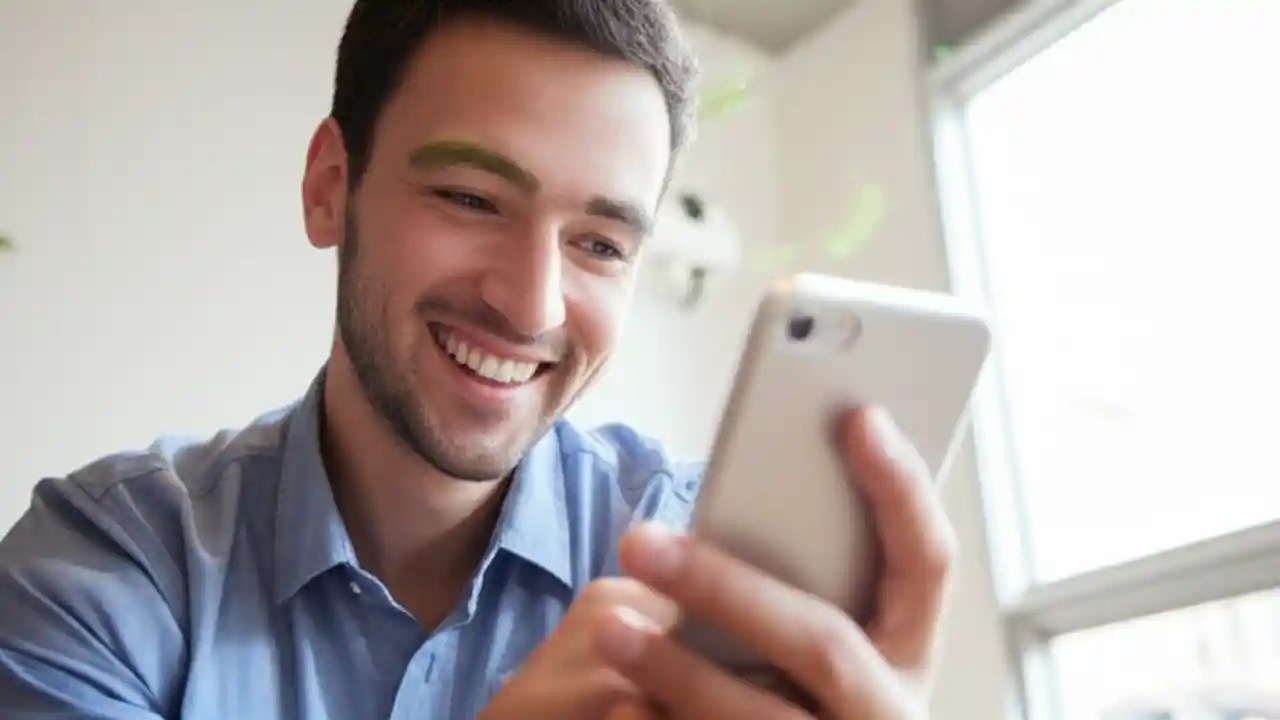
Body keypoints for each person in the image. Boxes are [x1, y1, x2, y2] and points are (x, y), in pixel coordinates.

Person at [0, 1, 957, 718]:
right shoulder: (101, 573)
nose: (532, 305)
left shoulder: (706, 561)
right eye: (469, 198)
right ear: (333, 187)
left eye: (601, 245)